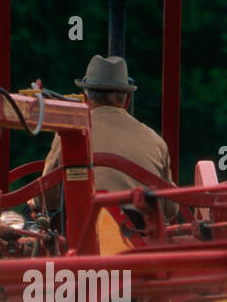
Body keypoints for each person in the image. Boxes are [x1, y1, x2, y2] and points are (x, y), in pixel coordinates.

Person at [38, 55, 178, 222]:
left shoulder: (70, 134)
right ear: (127, 99)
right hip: (141, 240)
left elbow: (46, 197)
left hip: (87, 238)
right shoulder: (156, 141)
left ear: (85, 97)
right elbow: (171, 208)